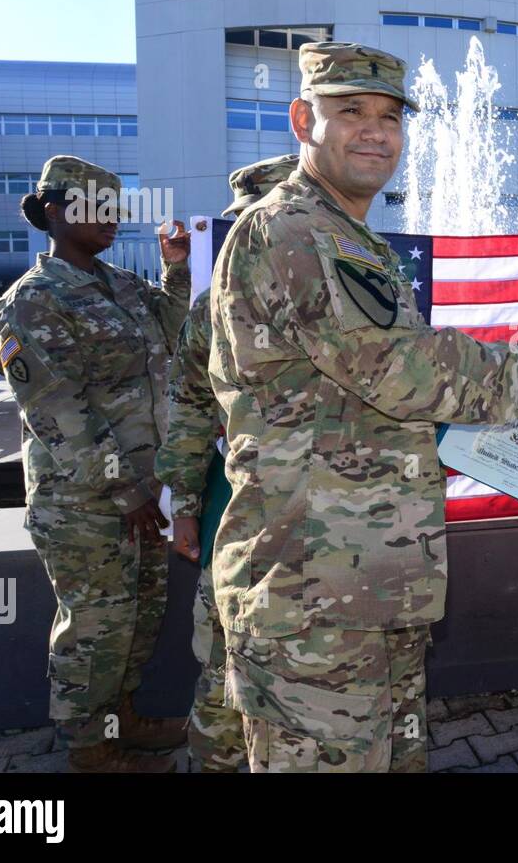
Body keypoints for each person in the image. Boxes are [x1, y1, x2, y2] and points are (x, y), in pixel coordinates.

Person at [209, 42, 518, 772]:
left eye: (389, 115)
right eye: (350, 111)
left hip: (375, 586)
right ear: (302, 120)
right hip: (308, 602)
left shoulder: (357, 243)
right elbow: (402, 371)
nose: (376, 130)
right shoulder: (291, 230)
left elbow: (393, 405)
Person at [0, 155, 191, 772]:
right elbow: (59, 411)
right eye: (92, 208)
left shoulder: (123, 286)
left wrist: (177, 273)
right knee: (96, 624)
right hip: (86, 504)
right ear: (52, 212)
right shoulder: (30, 304)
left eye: (114, 210)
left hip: (143, 495)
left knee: (139, 617)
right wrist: (125, 492)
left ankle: (119, 718)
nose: (109, 221)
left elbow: (179, 335)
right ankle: (89, 749)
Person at [153, 154, 298, 772]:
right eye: (244, 225)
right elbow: (188, 413)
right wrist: (184, 510)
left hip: (341, 527)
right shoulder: (213, 309)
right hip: (235, 516)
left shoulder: (351, 294)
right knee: (224, 668)